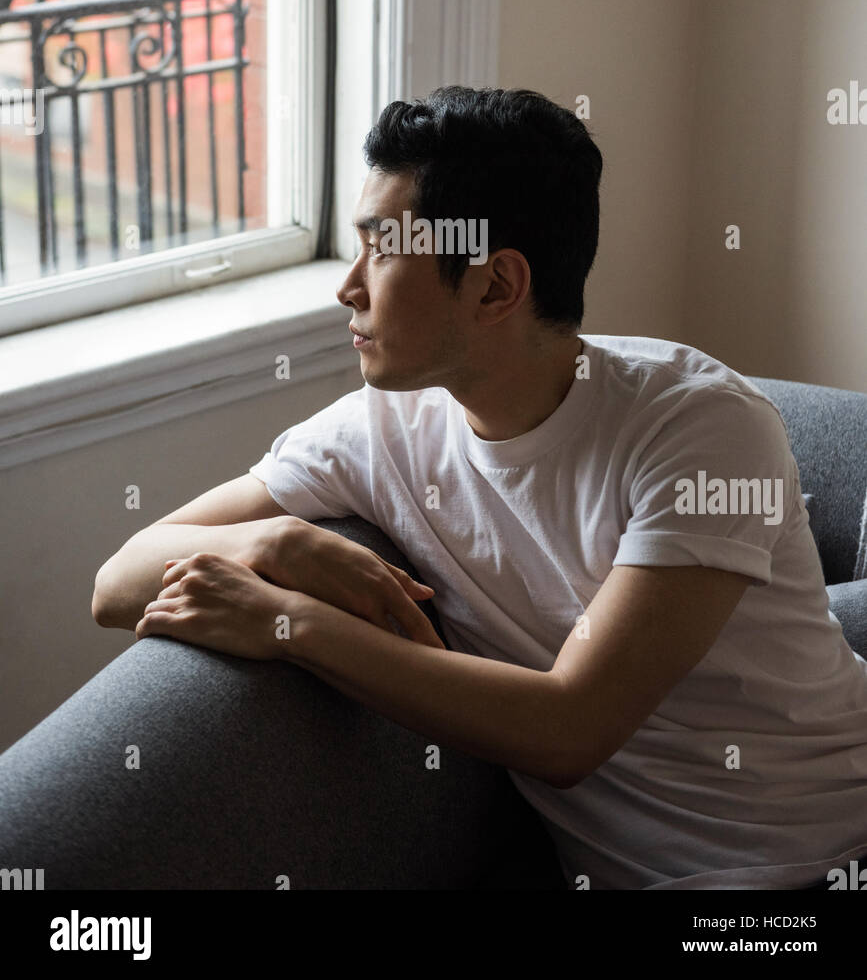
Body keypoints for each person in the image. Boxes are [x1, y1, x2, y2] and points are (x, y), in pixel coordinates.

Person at [93, 85, 867, 890]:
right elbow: (117, 582)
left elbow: (570, 729)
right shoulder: (379, 432)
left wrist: (290, 623)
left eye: (384, 250)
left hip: (823, 858)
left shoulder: (697, 429)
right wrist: (276, 542)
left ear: (496, 286)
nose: (347, 286)